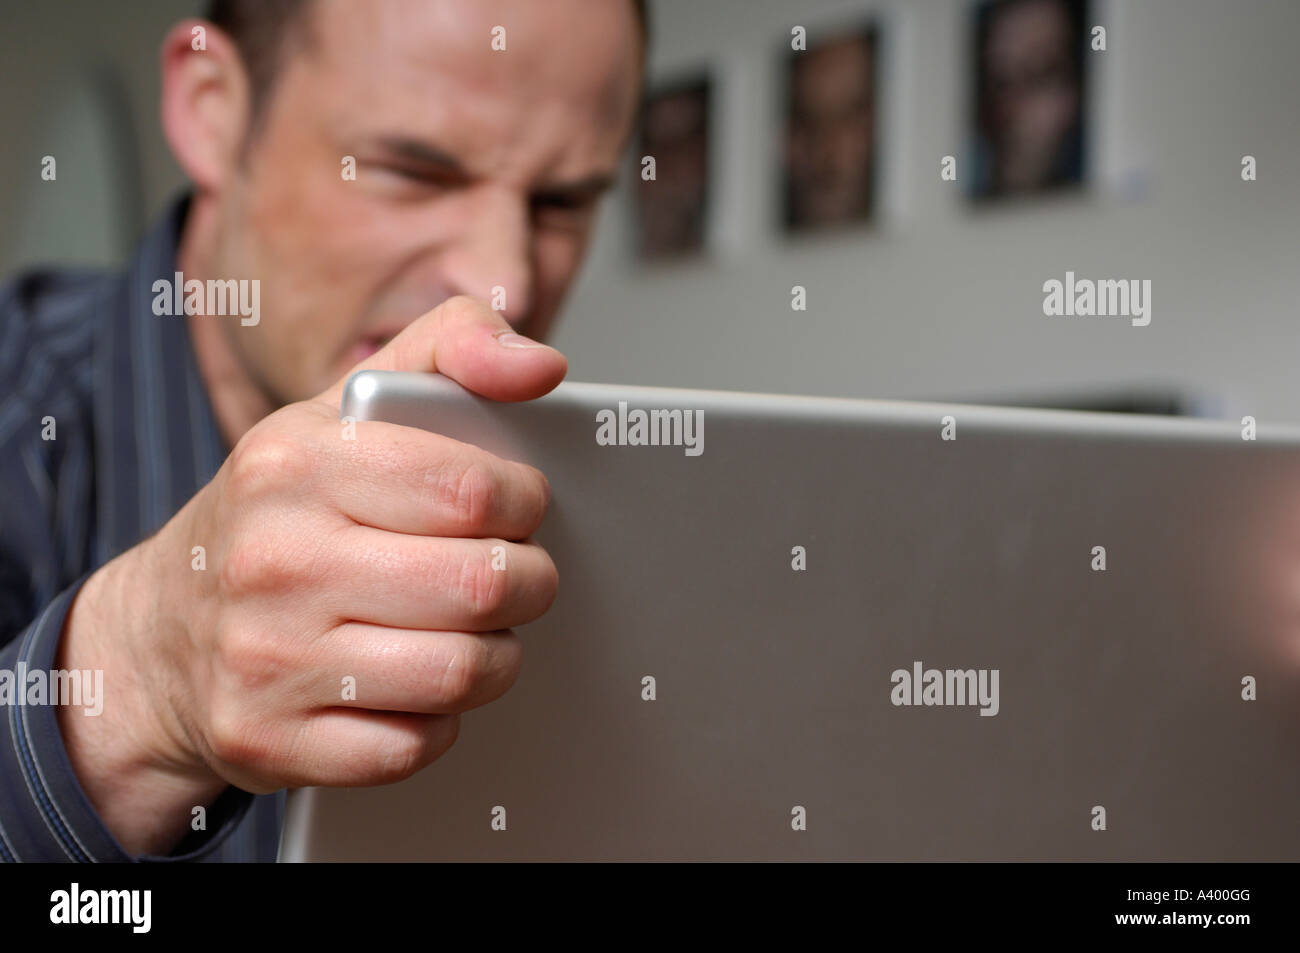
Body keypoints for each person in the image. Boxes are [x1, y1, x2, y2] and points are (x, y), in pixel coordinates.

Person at [0, 0, 645, 862]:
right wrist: (139, 683)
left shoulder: (588, 500)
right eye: (412, 171)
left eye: (563, 201)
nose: (505, 285)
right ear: (211, 109)